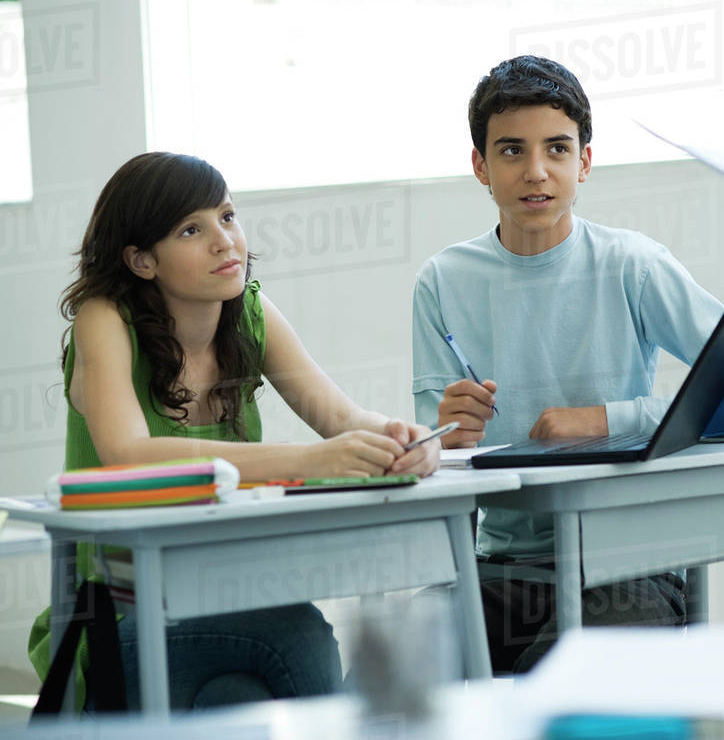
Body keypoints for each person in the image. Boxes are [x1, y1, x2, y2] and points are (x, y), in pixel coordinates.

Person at [29, 151, 439, 711]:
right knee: (297, 633)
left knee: (238, 699)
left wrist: (406, 440)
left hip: (216, 601)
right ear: (142, 260)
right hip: (113, 617)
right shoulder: (106, 318)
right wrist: (308, 461)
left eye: (227, 216)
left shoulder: (248, 311)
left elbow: (342, 420)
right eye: (191, 229)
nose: (225, 241)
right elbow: (128, 452)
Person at [411, 55, 724, 671]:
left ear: (584, 161)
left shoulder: (633, 264)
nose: (536, 171)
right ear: (480, 165)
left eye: (557, 148)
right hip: (499, 570)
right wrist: (441, 435)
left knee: (558, 688)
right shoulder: (442, 282)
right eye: (510, 151)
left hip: (627, 561)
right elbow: (430, 456)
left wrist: (610, 418)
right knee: (393, 670)